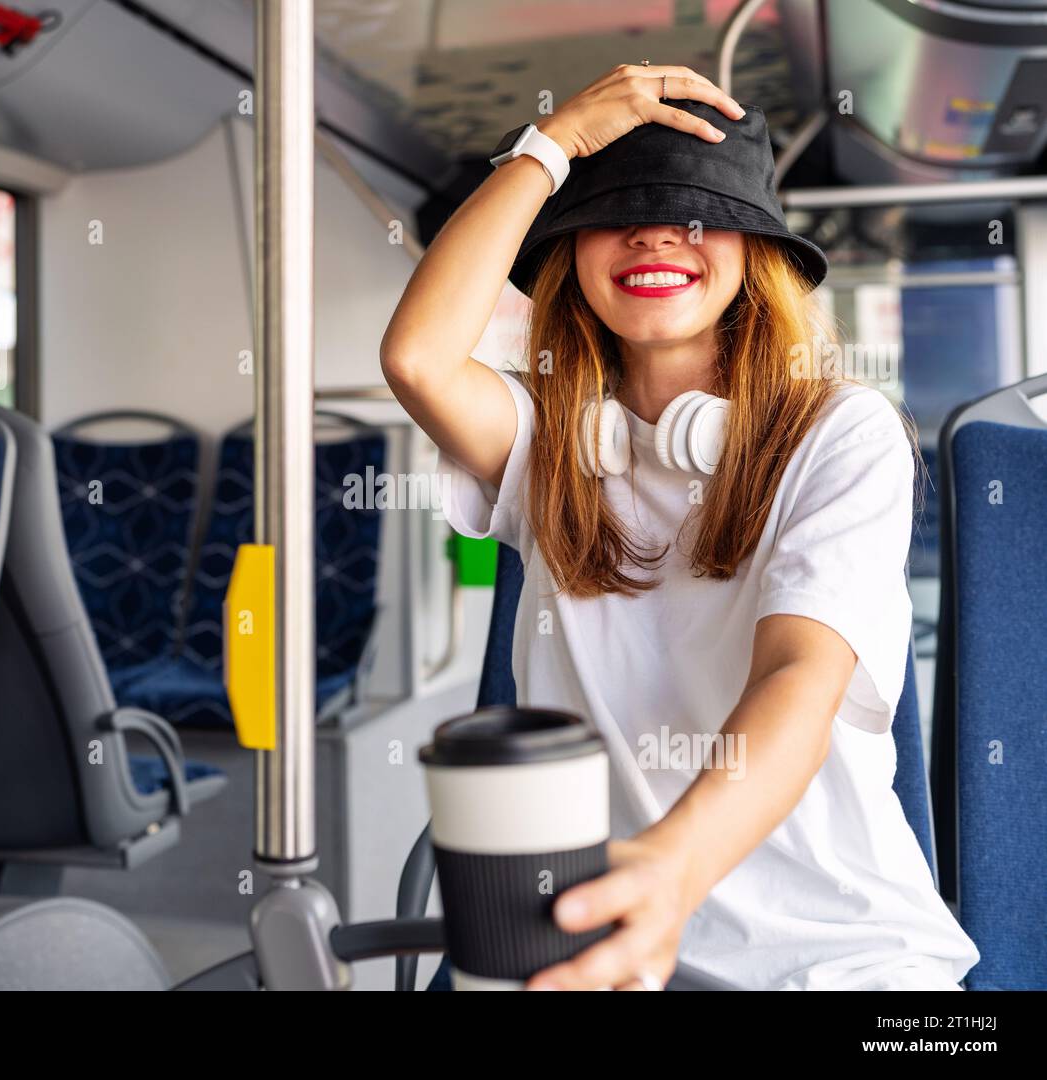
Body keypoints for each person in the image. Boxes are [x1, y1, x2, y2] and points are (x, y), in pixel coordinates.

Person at [381, 62, 978, 991]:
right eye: (616, 212)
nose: (658, 232)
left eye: (699, 214)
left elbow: (797, 675)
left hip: (851, 964)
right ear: (571, 256)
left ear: (753, 255)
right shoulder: (546, 442)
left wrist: (672, 867)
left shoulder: (841, 431)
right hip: (607, 948)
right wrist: (552, 144)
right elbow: (418, 358)